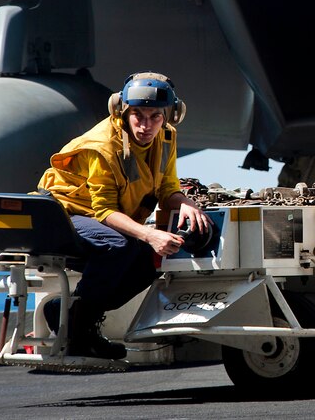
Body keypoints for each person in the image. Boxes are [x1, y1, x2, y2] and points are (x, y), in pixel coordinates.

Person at [37, 71, 210, 359]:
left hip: (98, 218)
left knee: (147, 263)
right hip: (62, 214)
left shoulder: (166, 137)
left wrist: (185, 202)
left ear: (170, 115)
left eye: (155, 116)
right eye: (138, 115)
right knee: (118, 246)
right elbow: (104, 211)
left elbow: (167, 186)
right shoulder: (102, 147)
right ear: (123, 112)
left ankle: (75, 316)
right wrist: (150, 233)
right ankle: (78, 333)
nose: (146, 125)